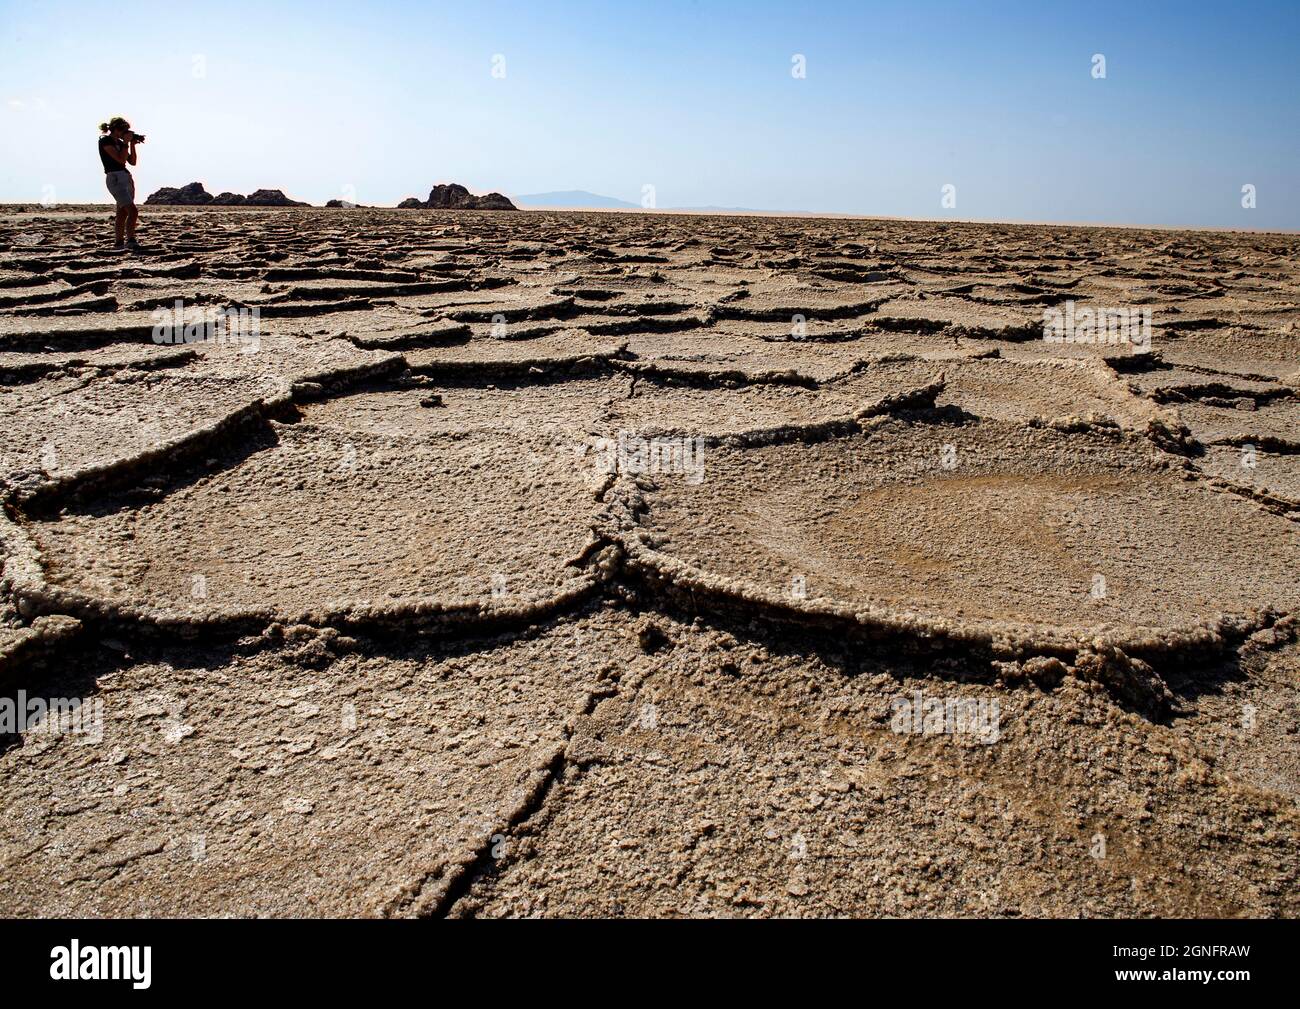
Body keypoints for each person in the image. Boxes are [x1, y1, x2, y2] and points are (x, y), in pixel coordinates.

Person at [98, 116, 142, 250]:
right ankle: (131, 239)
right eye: (124, 130)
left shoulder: (120, 143)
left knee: (122, 212)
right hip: (115, 178)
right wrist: (126, 143)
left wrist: (132, 145)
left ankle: (118, 242)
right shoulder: (105, 141)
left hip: (125, 177)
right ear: (116, 130)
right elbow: (120, 161)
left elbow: (132, 162)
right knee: (132, 211)